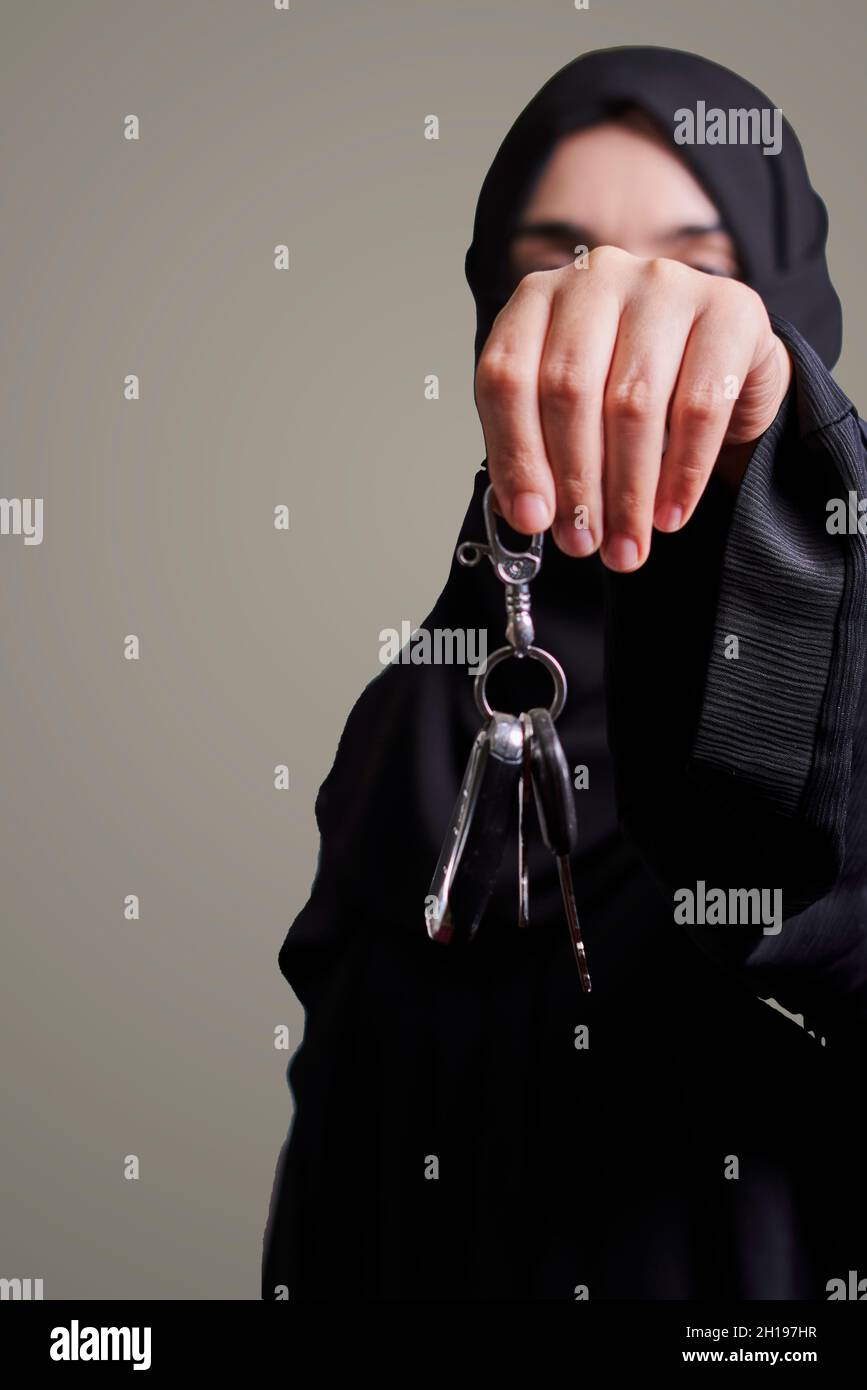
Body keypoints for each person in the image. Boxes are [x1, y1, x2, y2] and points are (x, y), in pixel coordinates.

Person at [262, 46, 867, 1300]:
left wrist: (777, 472)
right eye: (560, 257)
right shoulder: (411, 722)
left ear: (786, 301)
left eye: (698, 268)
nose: (621, 296)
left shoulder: (841, 674)